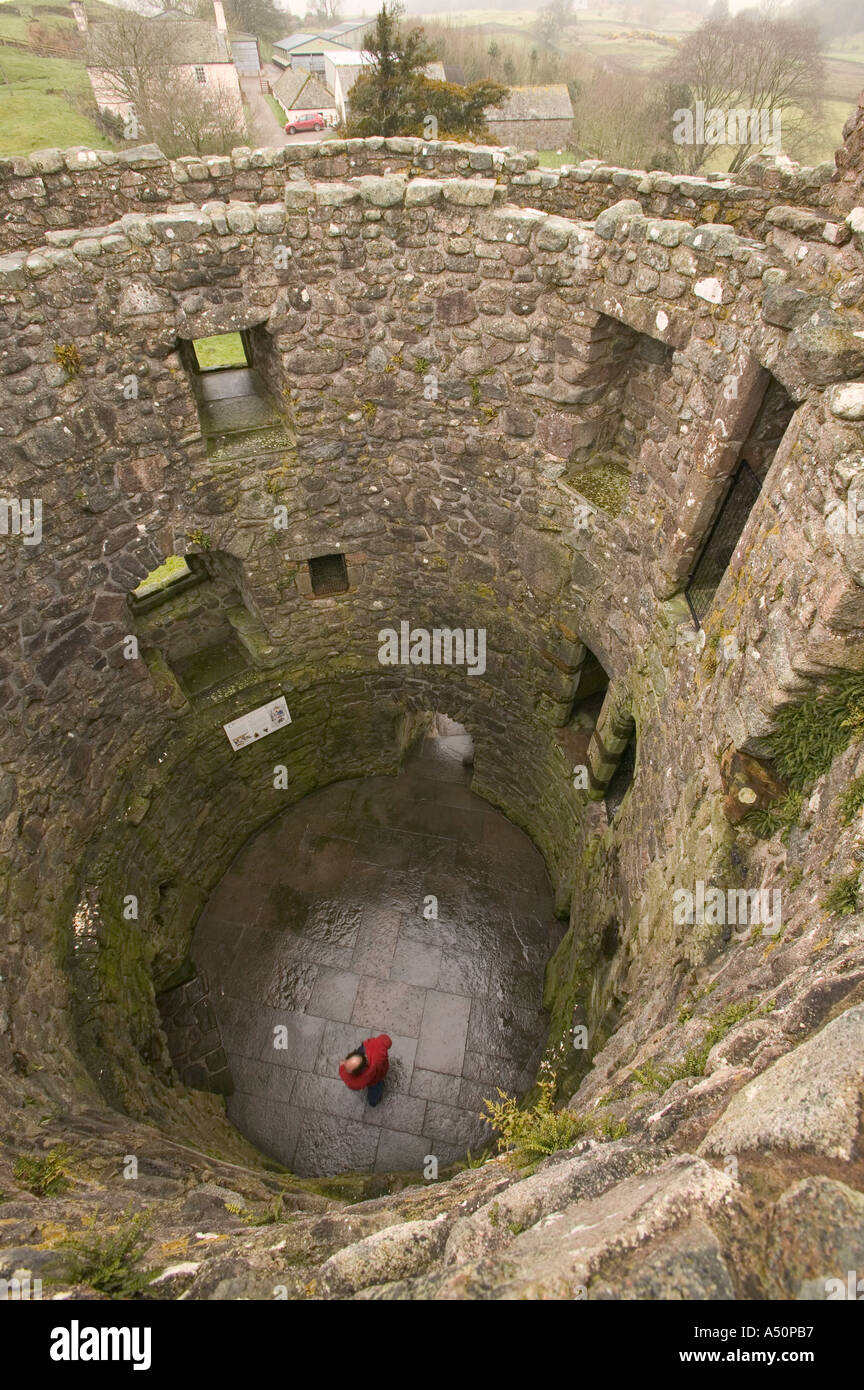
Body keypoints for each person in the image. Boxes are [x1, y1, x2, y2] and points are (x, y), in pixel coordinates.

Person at [338, 1034, 392, 1107]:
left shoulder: (355, 1082)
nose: (343, 1063)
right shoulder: (377, 1048)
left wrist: (341, 1067)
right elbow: (385, 1040)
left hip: (374, 1080)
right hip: (380, 1071)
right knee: (376, 1088)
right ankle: (374, 1101)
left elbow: (345, 1074)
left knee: (374, 1090)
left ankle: (373, 1101)